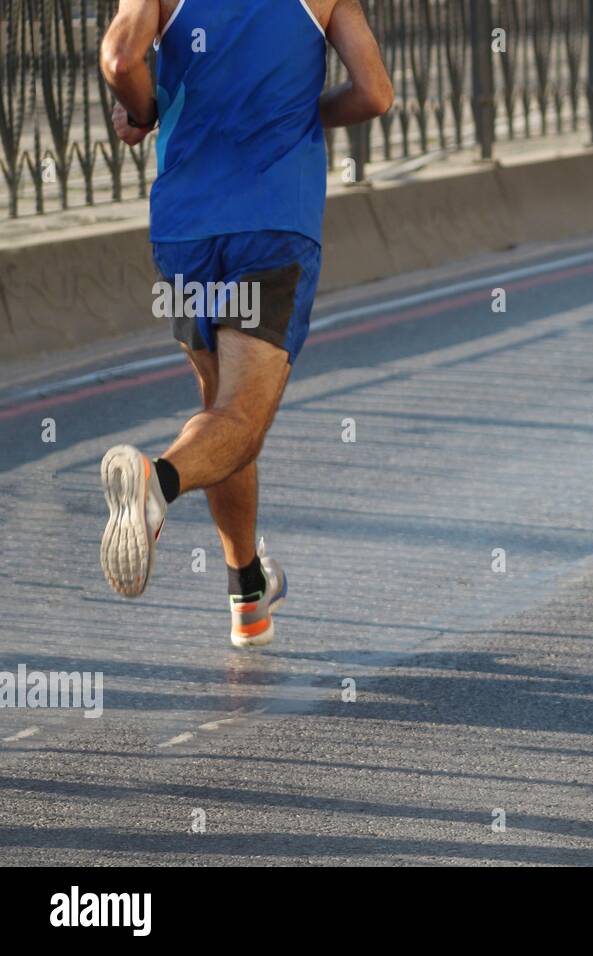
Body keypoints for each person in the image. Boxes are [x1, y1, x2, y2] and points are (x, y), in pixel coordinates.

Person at [96, 0, 393, 648]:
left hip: (182, 234)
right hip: (270, 225)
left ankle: (247, 592)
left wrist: (144, 111)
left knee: (218, 409)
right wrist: (306, 114)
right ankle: (157, 481)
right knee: (239, 421)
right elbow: (374, 93)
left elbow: (121, 59)